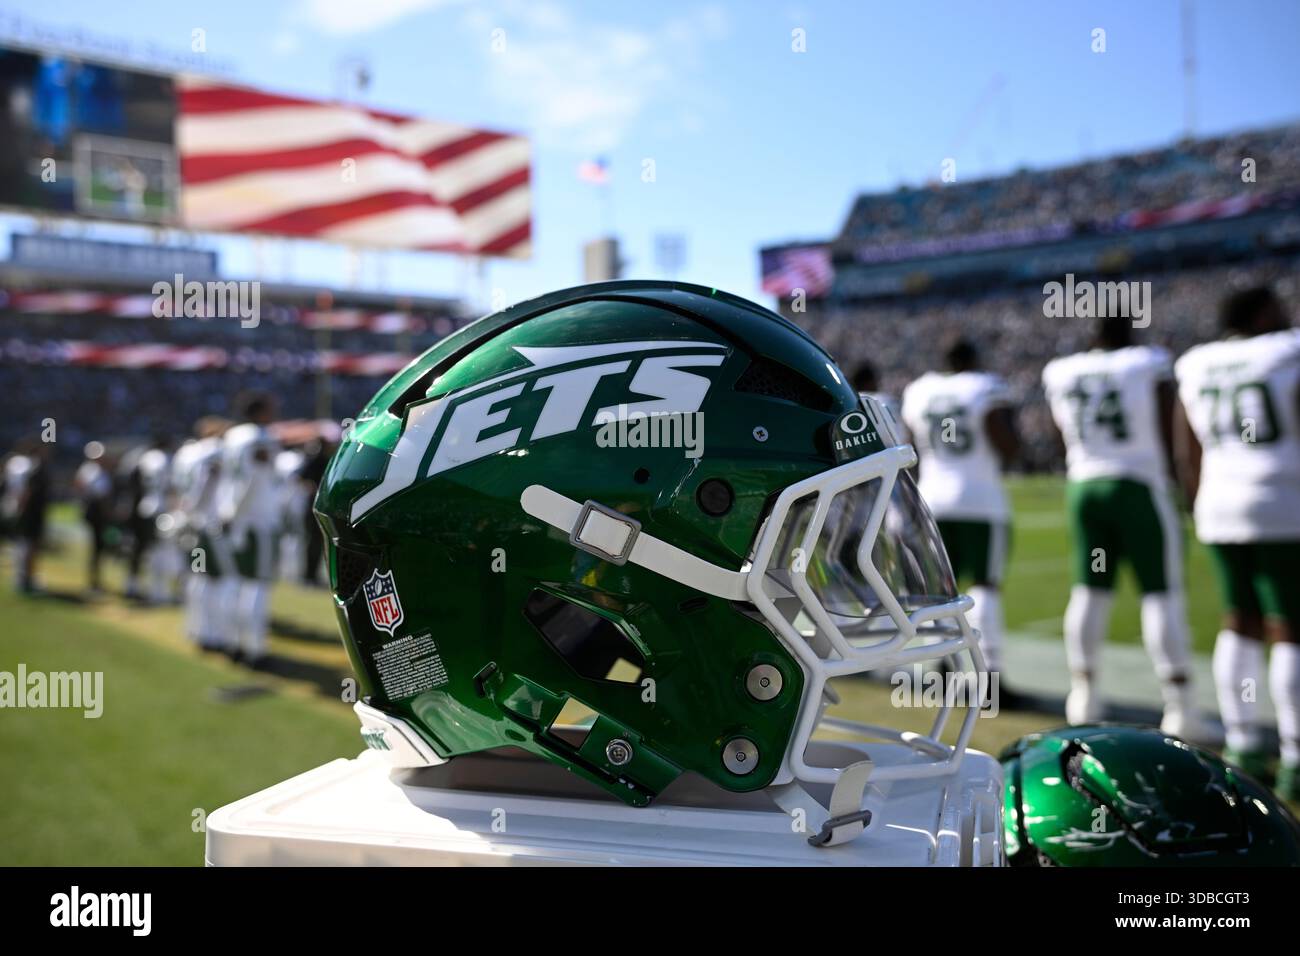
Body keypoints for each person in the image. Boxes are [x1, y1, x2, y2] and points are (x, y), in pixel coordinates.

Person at [1042, 316, 1210, 742]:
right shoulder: (1145, 362)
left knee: (1091, 590)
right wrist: (1184, 486)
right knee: (1160, 591)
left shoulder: (1063, 370)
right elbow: (1169, 426)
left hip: (1085, 487)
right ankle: (1180, 707)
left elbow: (1059, 434)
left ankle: (1084, 694)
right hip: (1137, 486)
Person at [1174, 286, 1300, 798]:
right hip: (1279, 497)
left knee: (1240, 620)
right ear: (1262, 312)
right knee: (1290, 627)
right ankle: (1294, 755)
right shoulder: (1286, 349)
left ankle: (1244, 742)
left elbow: (1186, 452)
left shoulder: (1197, 362)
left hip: (1220, 500)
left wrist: (1196, 501)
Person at [901, 338, 1020, 690]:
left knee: (940, 589)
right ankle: (989, 673)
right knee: (985, 585)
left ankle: (939, 664)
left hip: (932, 498)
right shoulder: (985, 386)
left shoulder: (920, 390)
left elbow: (911, 449)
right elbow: (1008, 445)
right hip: (980, 500)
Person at [215, 393, 282, 666]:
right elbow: (252, 482)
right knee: (257, 587)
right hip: (257, 521)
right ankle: (254, 651)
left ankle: (232, 643)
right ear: (261, 411)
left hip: (235, 518)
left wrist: (230, 514)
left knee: (235, 583)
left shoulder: (232, 436)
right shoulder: (261, 438)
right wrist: (238, 514)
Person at [172, 417, 231, 648]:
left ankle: (194, 627)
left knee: (197, 575)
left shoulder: (186, 452)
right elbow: (205, 484)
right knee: (216, 579)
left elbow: (178, 487)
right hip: (209, 524)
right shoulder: (213, 452)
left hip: (190, 522)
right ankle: (213, 633)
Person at [73, 441, 114, 593]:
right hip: (96, 511)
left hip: (95, 510)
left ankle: (95, 580)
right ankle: (93, 582)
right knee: (97, 547)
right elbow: (99, 495)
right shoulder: (93, 470)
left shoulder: (92, 470)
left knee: (98, 548)